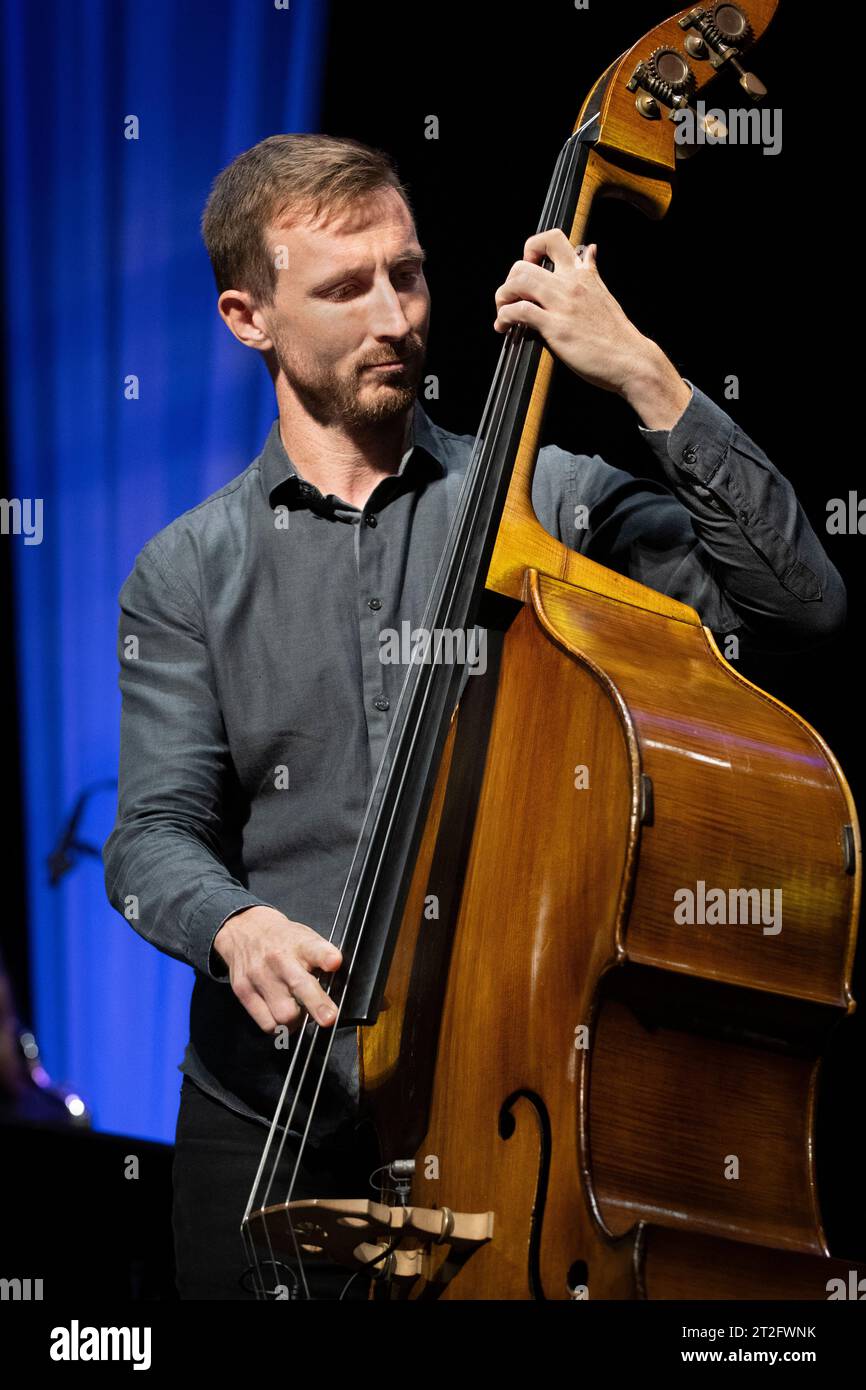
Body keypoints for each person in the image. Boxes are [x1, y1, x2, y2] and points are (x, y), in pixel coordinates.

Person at [102, 133, 845, 1300]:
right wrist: (233, 925)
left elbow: (798, 602)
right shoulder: (185, 572)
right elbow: (146, 841)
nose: (394, 316)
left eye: (406, 273)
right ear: (248, 317)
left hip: (507, 1111)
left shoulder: (545, 506)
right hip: (271, 1123)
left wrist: (643, 376)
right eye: (344, 288)